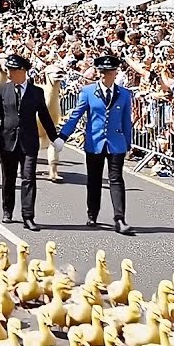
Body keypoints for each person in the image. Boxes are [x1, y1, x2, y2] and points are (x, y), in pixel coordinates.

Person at [60, 54, 136, 236]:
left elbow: (127, 121)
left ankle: (119, 218)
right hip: (94, 142)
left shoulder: (124, 94)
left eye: (108, 72)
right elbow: (76, 115)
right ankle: (92, 213)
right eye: (101, 72)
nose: (103, 75)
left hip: (116, 143)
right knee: (93, 180)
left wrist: (128, 144)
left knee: (116, 179)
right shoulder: (88, 92)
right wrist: (62, 135)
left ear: (115, 73)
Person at [0, 54, 64, 231]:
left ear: (22, 72)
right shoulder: (2, 90)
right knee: (8, 178)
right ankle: (7, 210)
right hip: (8, 141)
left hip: (29, 142)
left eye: (13, 71)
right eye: (8, 70)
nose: (9, 74)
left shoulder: (36, 92)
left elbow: (45, 117)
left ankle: (28, 216)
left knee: (29, 178)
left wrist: (55, 138)